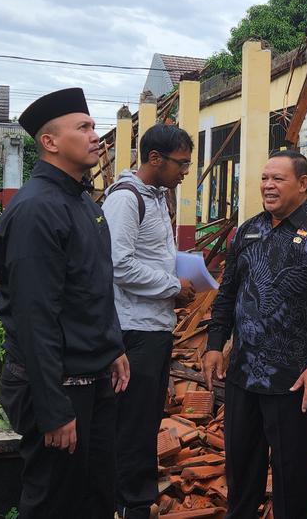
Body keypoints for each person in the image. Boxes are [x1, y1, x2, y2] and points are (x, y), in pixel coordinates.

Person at [0, 87, 130, 519]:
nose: (96, 137)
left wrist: (112, 348)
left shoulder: (81, 201)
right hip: (57, 390)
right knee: (55, 502)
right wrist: (53, 410)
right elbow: (35, 317)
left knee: (95, 496)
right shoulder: (38, 210)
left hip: (92, 380)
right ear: (49, 142)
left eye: (94, 127)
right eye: (84, 128)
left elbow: (89, 289)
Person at [203, 150, 307, 519]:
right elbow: (228, 293)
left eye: (278, 179)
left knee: (292, 476)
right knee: (241, 472)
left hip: (293, 382)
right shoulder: (248, 231)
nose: (268, 185)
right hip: (242, 374)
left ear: (302, 185)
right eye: (265, 178)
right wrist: (214, 344)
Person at [105, 123, 198, 519]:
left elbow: (150, 255)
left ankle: (136, 499)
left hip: (155, 325)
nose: (185, 172)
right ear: (154, 158)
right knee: (132, 421)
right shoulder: (126, 199)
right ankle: (128, 503)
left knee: (145, 420)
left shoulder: (158, 196)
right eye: (181, 163)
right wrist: (171, 285)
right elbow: (118, 264)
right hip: (134, 328)